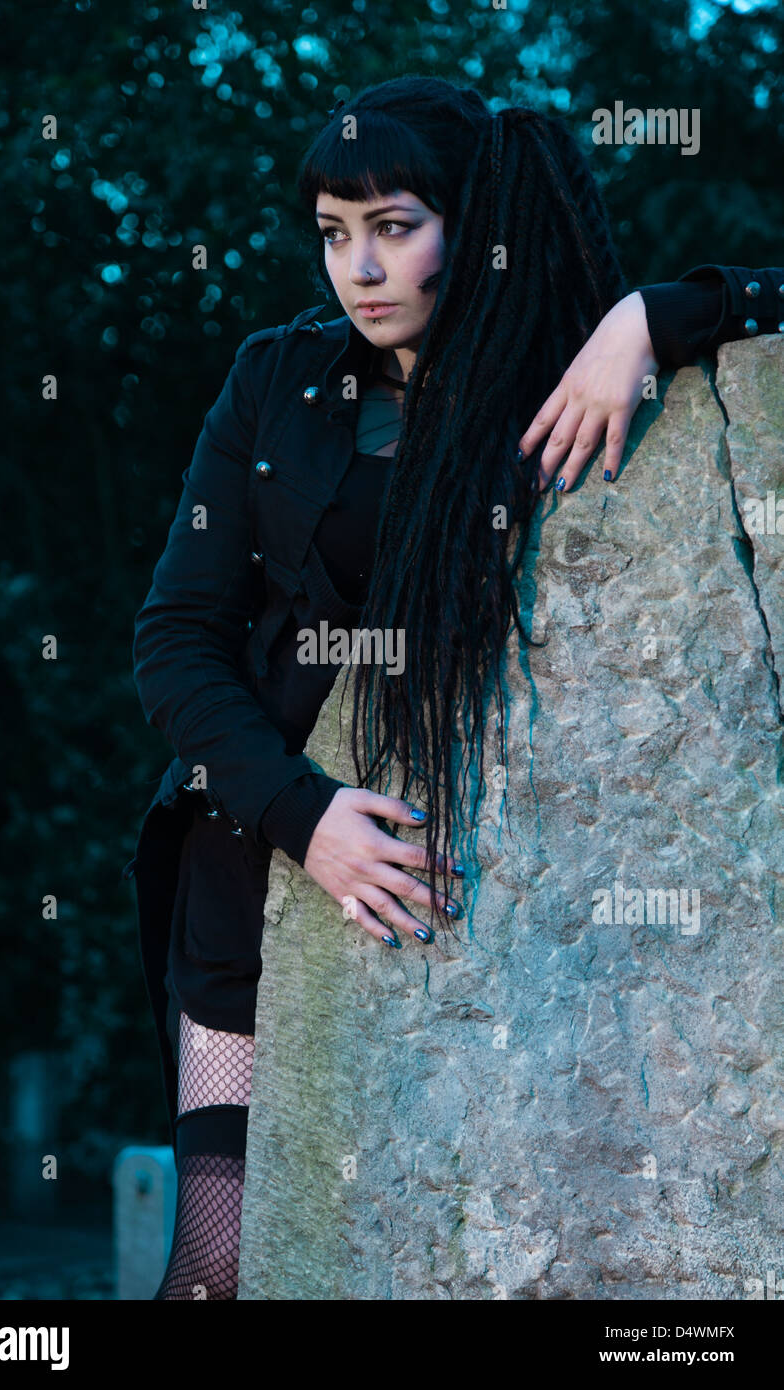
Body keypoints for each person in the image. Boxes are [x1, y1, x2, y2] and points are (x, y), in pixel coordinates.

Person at [127, 74, 784, 1300]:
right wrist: (301, 816)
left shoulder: (552, 370)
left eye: (392, 227)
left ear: (467, 223)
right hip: (256, 857)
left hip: (484, 890)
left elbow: (768, 306)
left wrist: (649, 314)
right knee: (214, 1267)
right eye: (334, 233)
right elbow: (173, 640)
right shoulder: (273, 378)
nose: (358, 269)